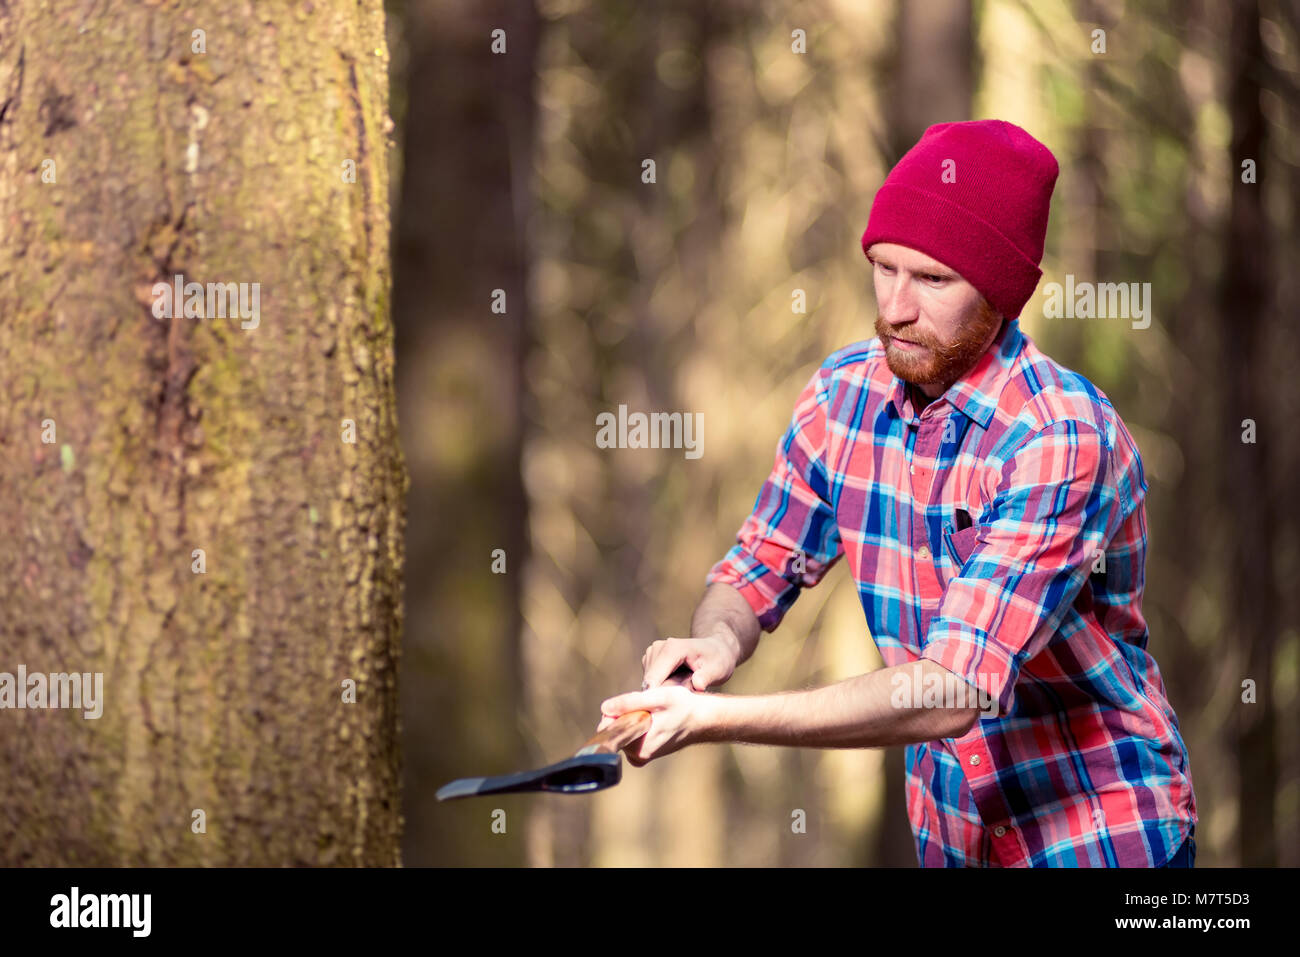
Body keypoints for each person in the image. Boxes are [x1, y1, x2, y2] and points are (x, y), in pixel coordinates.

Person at [596, 120, 1198, 868]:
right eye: (884, 268)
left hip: (1101, 836)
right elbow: (754, 570)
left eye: (933, 279)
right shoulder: (842, 394)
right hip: (952, 837)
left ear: (1001, 291)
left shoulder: (1059, 437)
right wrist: (715, 643)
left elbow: (952, 690)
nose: (895, 307)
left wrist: (716, 719)